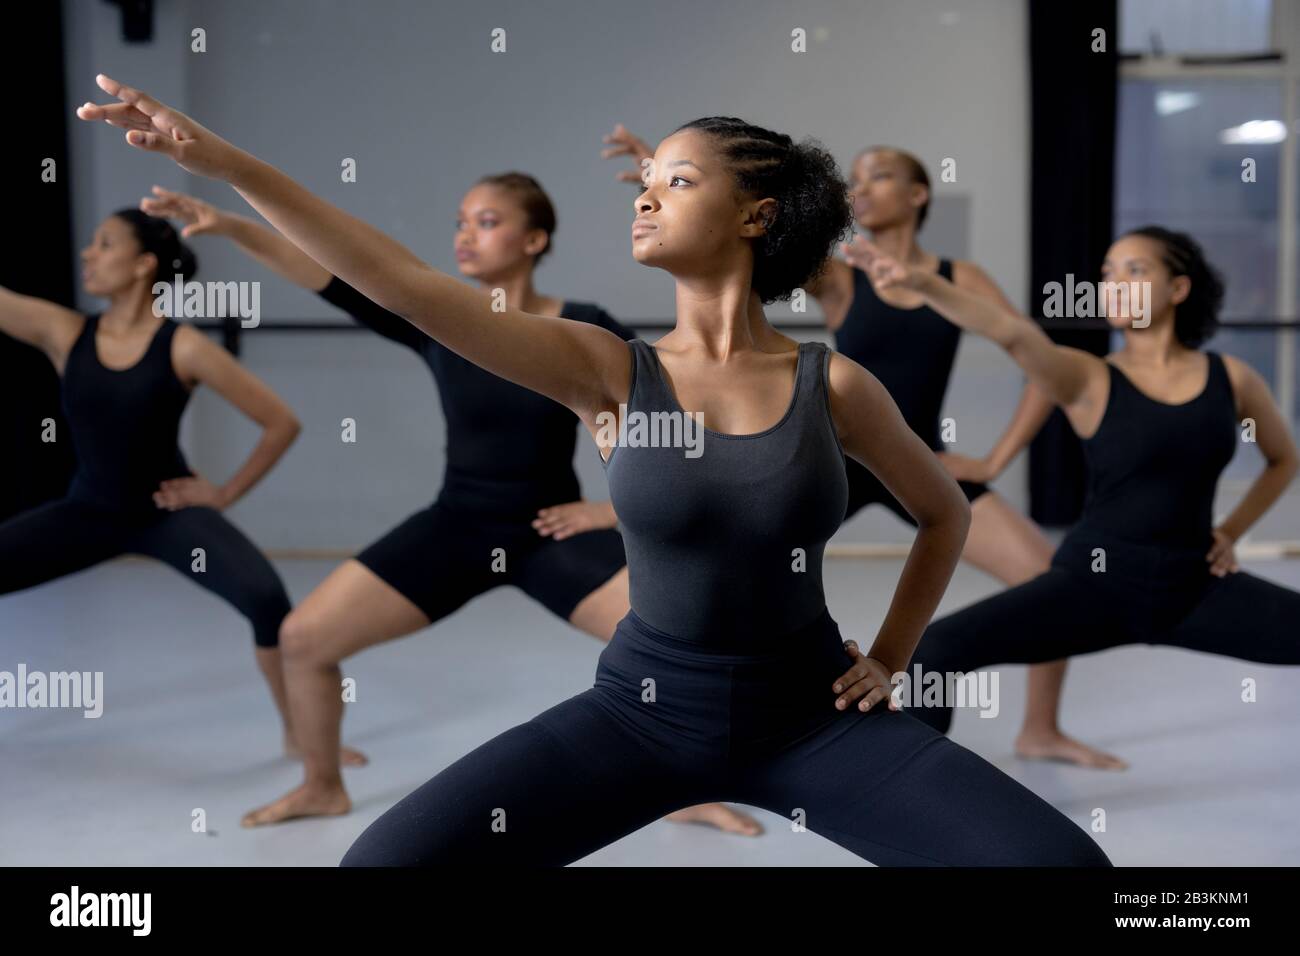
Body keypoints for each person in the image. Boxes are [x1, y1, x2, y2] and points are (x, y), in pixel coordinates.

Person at [79, 76, 1111, 866]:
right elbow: (399, 281)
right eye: (646, 178)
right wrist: (230, 168)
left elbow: (942, 513)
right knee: (385, 861)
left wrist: (886, 655)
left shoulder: (833, 386)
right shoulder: (604, 365)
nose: (644, 197)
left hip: (812, 718)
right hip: (642, 714)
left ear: (756, 216)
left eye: (677, 179)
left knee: (1063, 862)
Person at [136, 184, 761, 836]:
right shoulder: (439, 317)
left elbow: (675, 414)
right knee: (303, 640)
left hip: (550, 532)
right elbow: (330, 273)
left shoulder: (581, 324)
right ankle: (322, 786)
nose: (465, 234)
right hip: (458, 526)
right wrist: (236, 226)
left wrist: (610, 511)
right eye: (461, 221)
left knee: (681, 637)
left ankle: (685, 789)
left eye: (487, 222)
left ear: (534, 241)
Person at [602, 126, 1123, 769]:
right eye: (855, 177)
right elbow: (747, 242)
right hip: (828, 461)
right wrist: (673, 182)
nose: (861, 188)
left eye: (879, 175)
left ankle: (1040, 729)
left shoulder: (962, 278)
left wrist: (993, 462)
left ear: (918, 193)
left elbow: (1036, 358)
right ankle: (681, 737)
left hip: (913, 461)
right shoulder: (842, 273)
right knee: (673, 574)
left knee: (1045, 582)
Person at [849, 227, 1300, 736]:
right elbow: (1014, 334)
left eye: (1135, 270)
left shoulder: (1232, 378)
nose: (1115, 283)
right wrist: (926, 285)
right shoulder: (1088, 377)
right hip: (1097, 583)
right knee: (936, 649)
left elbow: (1283, 459)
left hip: (1195, 586)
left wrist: (1232, 531)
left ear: (1178, 289)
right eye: (1107, 274)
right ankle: (917, 794)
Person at [0, 208, 326, 761]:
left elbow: (281, 423)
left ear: (143, 265)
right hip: (88, 512)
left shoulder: (183, 347)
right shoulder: (66, 332)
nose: (88, 254)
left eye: (104, 245)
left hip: (163, 514)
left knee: (268, 601)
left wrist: (221, 494)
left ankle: (300, 735)